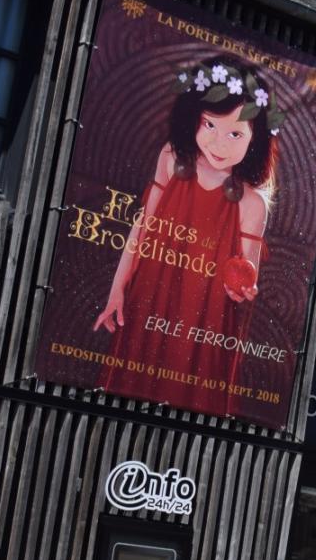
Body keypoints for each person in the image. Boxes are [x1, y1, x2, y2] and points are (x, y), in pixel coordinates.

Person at [93, 57, 281, 416]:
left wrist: (241, 289)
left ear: (255, 142)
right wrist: (118, 287)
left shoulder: (252, 202)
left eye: (236, 134)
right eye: (210, 124)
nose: (219, 143)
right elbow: (143, 224)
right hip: (149, 301)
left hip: (204, 325)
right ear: (194, 115)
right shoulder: (170, 157)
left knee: (187, 413)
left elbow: (246, 276)